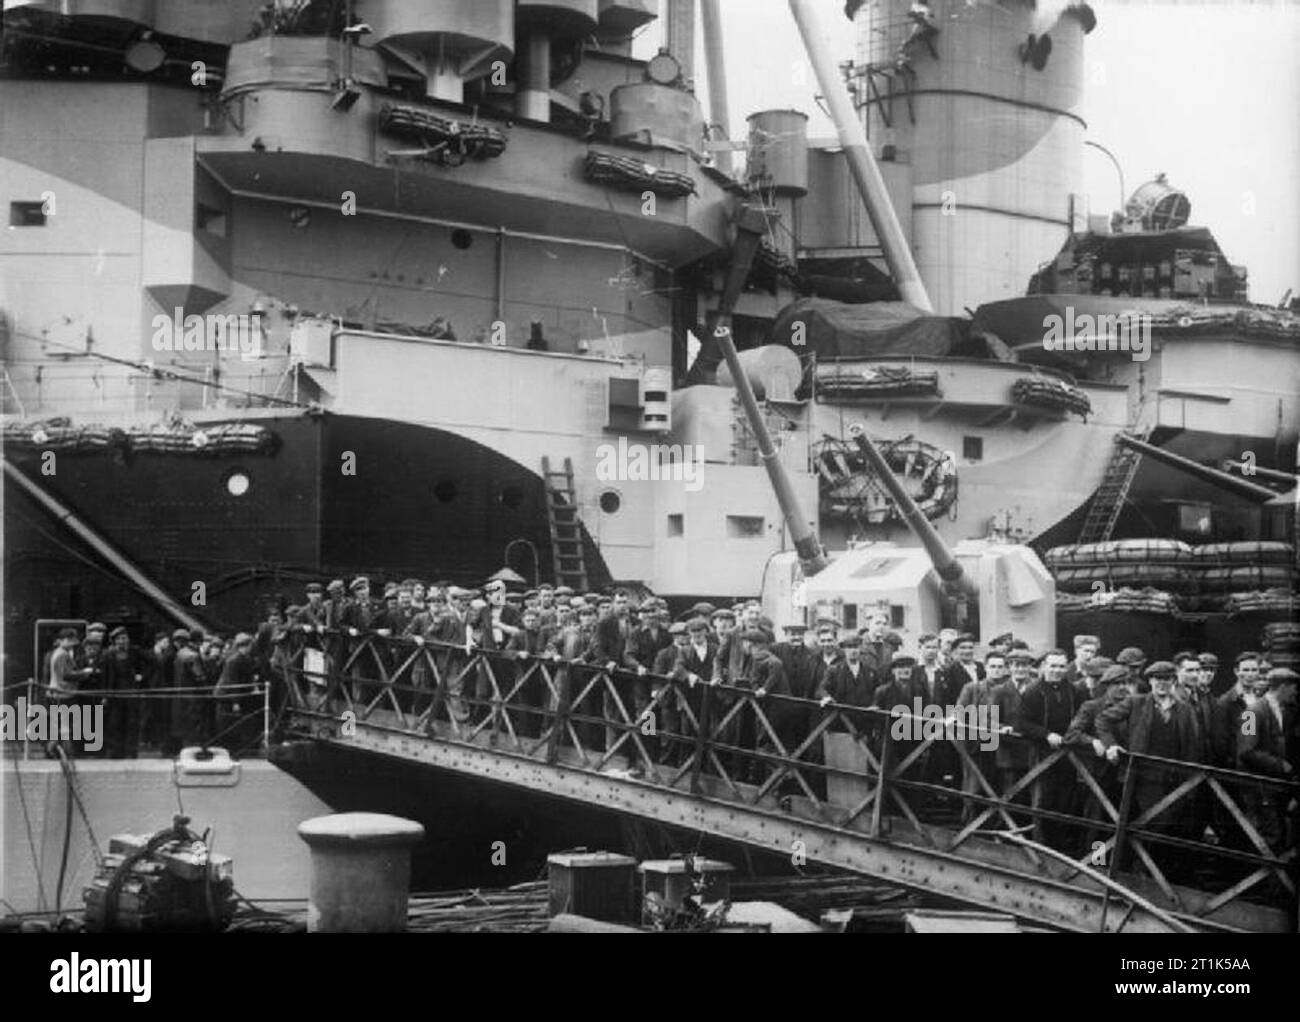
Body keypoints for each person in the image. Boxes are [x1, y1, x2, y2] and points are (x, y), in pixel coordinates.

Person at [1098, 661, 1202, 869]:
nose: (1161, 684)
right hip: (1142, 777)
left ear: (1173, 681)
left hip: (1174, 779)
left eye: (1167, 679)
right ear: (1150, 681)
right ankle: (1135, 869)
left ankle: (1150, 872)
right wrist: (1111, 746)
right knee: (1149, 824)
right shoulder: (1136, 702)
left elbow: (1193, 746)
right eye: (1157, 679)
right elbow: (1103, 720)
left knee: (1166, 827)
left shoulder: (1185, 709)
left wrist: (1191, 781)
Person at [1016, 649, 1085, 850]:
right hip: (1042, 754)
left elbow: (1082, 718)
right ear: (1044, 666)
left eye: (1061, 666)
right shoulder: (1033, 691)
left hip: (1068, 756)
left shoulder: (1073, 691)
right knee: (1042, 801)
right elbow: (1023, 722)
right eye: (1053, 666)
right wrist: (1046, 734)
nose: (1057, 670)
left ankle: (1059, 847)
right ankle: (1040, 848)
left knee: (1065, 802)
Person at [1236, 667, 1298, 848]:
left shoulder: (1284, 711)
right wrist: (1280, 765)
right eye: (1293, 687)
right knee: (1268, 836)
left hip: (1274, 785)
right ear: (1283, 687)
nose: (1295, 692)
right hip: (1258, 786)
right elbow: (1246, 751)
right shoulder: (1252, 712)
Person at [955, 650, 1009, 821]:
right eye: (993, 666)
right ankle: (969, 820)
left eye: (1000, 667)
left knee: (997, 786)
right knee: (974, 785)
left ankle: (991, 823)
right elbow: (960, 713)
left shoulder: (1008, 689)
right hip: (975, 744)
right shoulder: (972, 688)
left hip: (1001, 745)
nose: (996, 670)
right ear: (985, 668)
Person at [817, 635, 878, 734]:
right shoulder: (834, 670)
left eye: (856, 647)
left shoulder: (870, 672)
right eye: (849, 648)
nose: (853, 651)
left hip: (864, 724)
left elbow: (876, 692)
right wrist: (826, 698)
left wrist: (875, 705)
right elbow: (821, 689)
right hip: (840, 723)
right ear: (844, 650)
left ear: (860, 649)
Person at [101, 627, 145, 758]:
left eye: (124, 638)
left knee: (132, 722)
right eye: (119, 639)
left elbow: (150, 663)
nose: (122, 641)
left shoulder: (135, 652)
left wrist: (141, 675)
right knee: (115, 723)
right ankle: (116, 751)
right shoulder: (108, 655)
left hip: (131, 691)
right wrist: (104, 695)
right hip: (115, 693)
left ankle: (131, 751)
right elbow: (105, 676)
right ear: (114, 641)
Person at [215, 633, 260, 752]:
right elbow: (233, 682)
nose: (251, 648)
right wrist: (236, 702)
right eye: (250, 646)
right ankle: (229, 749)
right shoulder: (234, 660)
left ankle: (236, 747)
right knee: (228, 724)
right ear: (245, 646)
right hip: (227, 696)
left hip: (234, 696)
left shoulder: (243, 659)